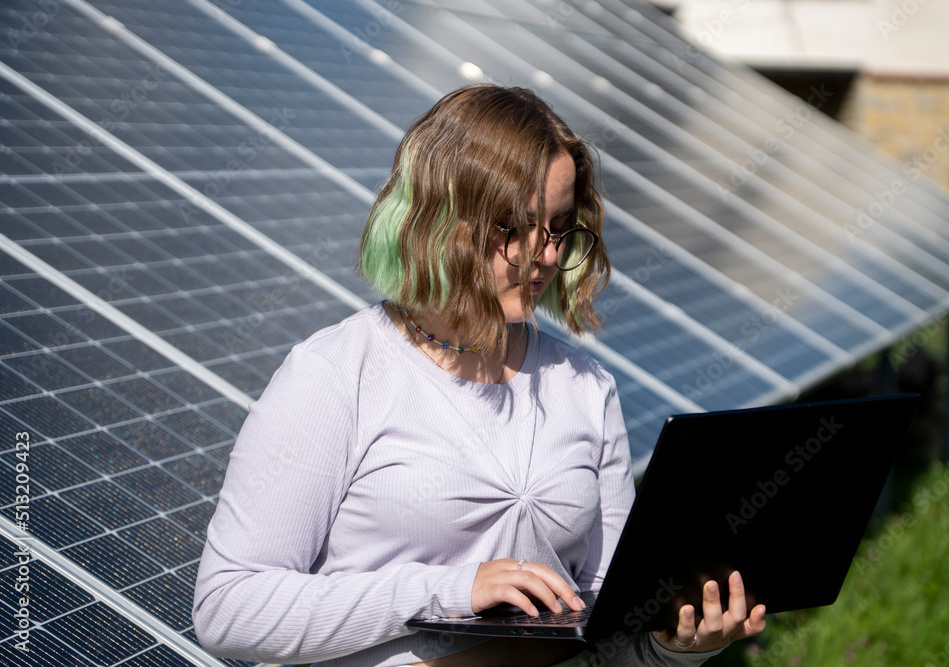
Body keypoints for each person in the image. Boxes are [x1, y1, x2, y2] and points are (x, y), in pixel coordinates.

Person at [192, 84, 766, 667]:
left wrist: (676, 650)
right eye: (513, 229)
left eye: (559, 226)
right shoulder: (335, 376)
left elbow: (610, 631)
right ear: (437, 220)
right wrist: (450, 592)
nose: (544, 255)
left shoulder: (585, 389)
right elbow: (228, 606)